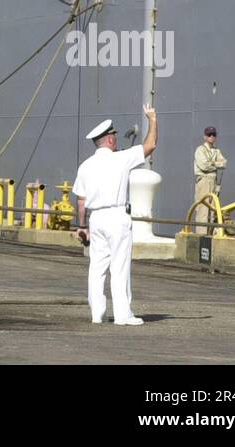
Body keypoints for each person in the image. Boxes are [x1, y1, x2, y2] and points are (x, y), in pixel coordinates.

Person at [73, 104, 159, 326]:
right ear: (110, 140)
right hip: (116, 216)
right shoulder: (121, 159)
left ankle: (97, 314)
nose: (116, 138)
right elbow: (150, 145)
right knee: (119, 267)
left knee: (97, 267)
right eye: (114, 135)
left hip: (96, 219)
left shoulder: (85, 166)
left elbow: (81, 200)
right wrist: (152, 120)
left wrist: (82, 226)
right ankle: (123, 315)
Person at [193, 126, 227, 223]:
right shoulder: (200, 150)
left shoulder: (216, 150)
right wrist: (216, 164)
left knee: (213, 211)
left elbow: (224, 163)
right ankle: (201, 236)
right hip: (203, 180)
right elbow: (204, 166)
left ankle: (210, 236)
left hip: (214, 181)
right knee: (203, 211)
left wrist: (212, 163)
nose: (211, 137)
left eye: (214, 135)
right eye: (209, 135)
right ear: (205, 137)